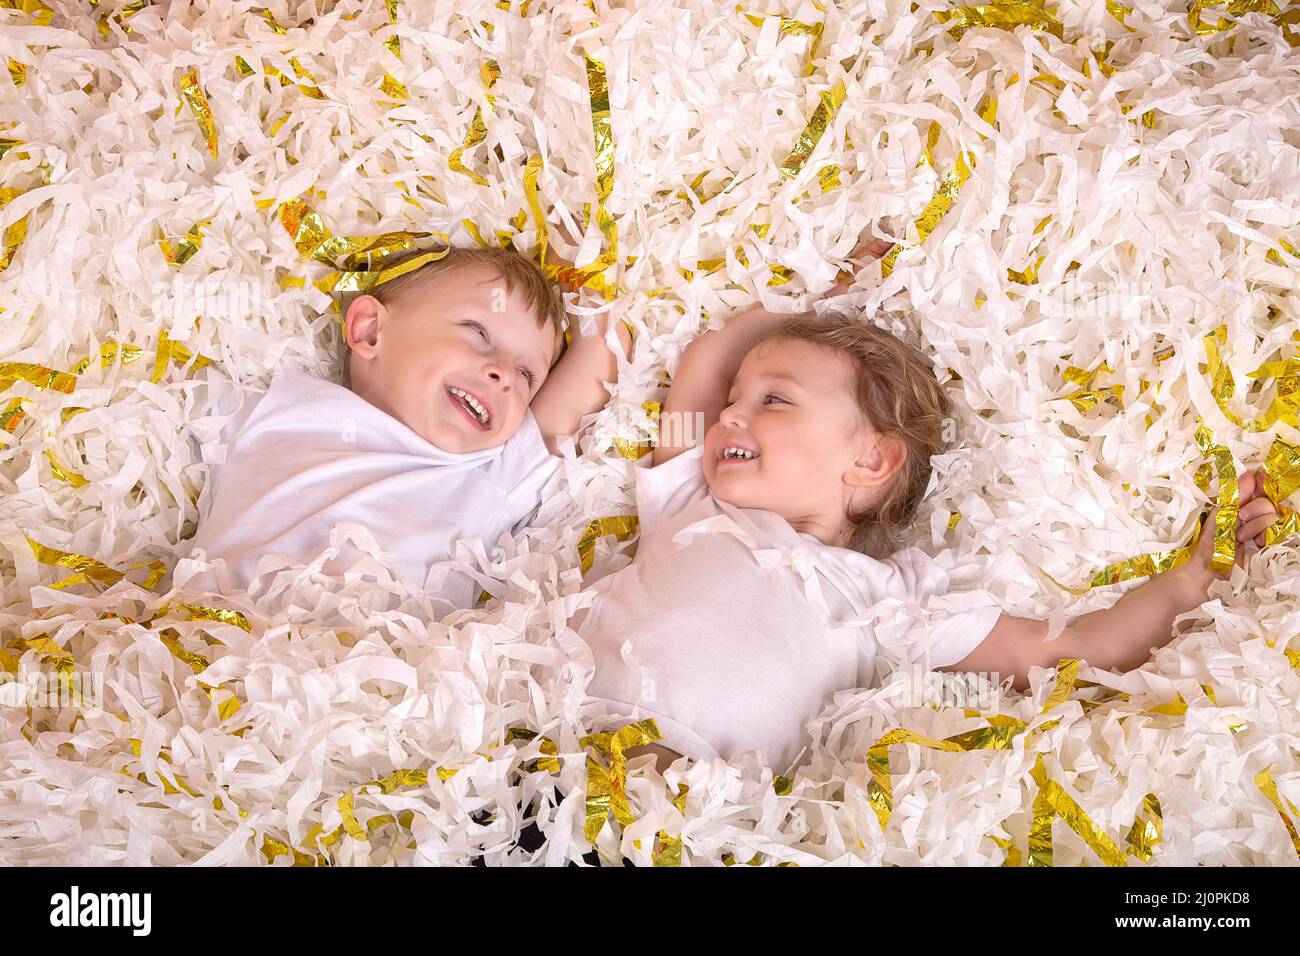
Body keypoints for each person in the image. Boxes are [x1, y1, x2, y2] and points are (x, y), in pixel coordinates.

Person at [574, 238, 1285, 775]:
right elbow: (705, 361)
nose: (728, 417)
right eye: (733, 403)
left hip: (675, 807)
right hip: (541, 751)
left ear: (871, 460)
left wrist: (1197, 573)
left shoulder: (890, 600)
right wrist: (832, 289)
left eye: (773, 400)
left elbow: (1063, 648)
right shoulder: (687, 500)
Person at [178, 245, 631, 614]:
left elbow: (603, 350)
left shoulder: (492, 470)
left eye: (528, 375)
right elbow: (140, 394)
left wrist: (574, 247)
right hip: (212, 647)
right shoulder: (277, 406)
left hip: (367, 691)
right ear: (371, 329)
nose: (504, 375)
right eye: (477, 332)